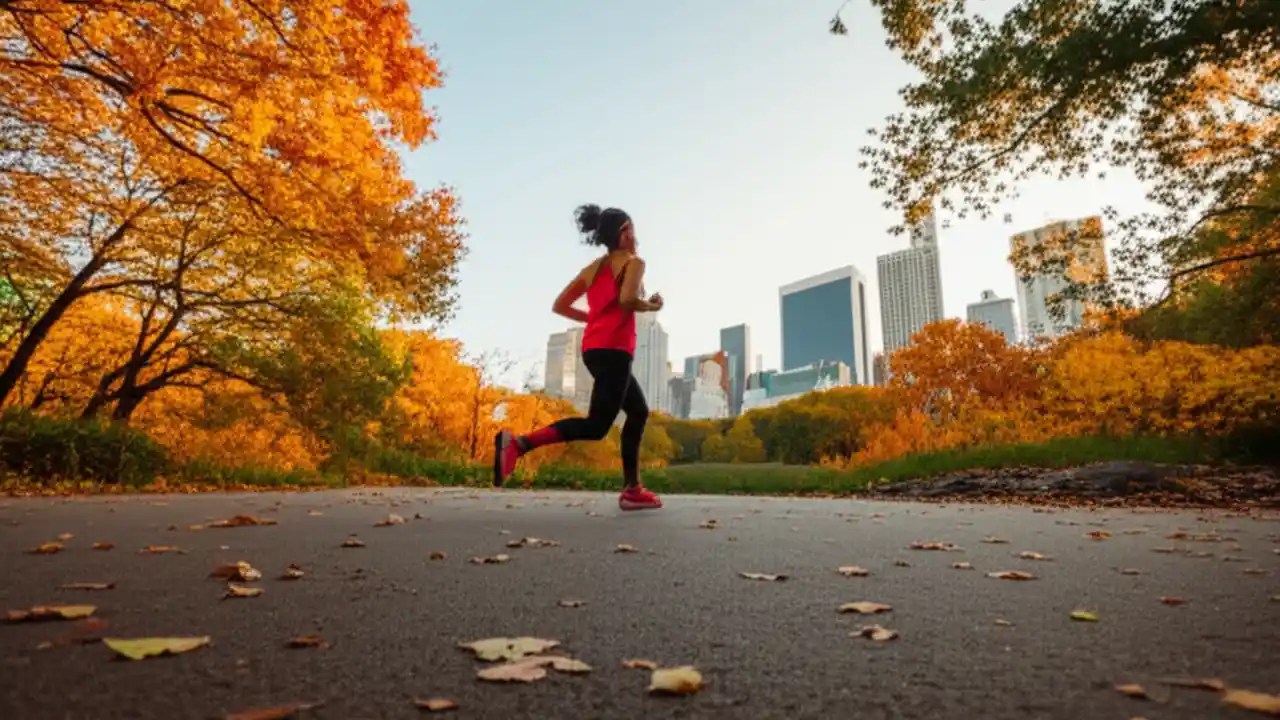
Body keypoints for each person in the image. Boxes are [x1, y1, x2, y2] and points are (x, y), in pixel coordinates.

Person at [493, 204, 665, 510]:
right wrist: (652, 307)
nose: (636, 236)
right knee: (597, 426)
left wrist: (595, 320)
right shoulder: (635, 262)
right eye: (632, 229)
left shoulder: (592, 269)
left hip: (594, 348)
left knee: (638, 411)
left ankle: (632, 488)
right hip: (614, 349)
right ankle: (519, 444)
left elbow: (560, 305)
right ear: (624, 232)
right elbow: (626, 300)